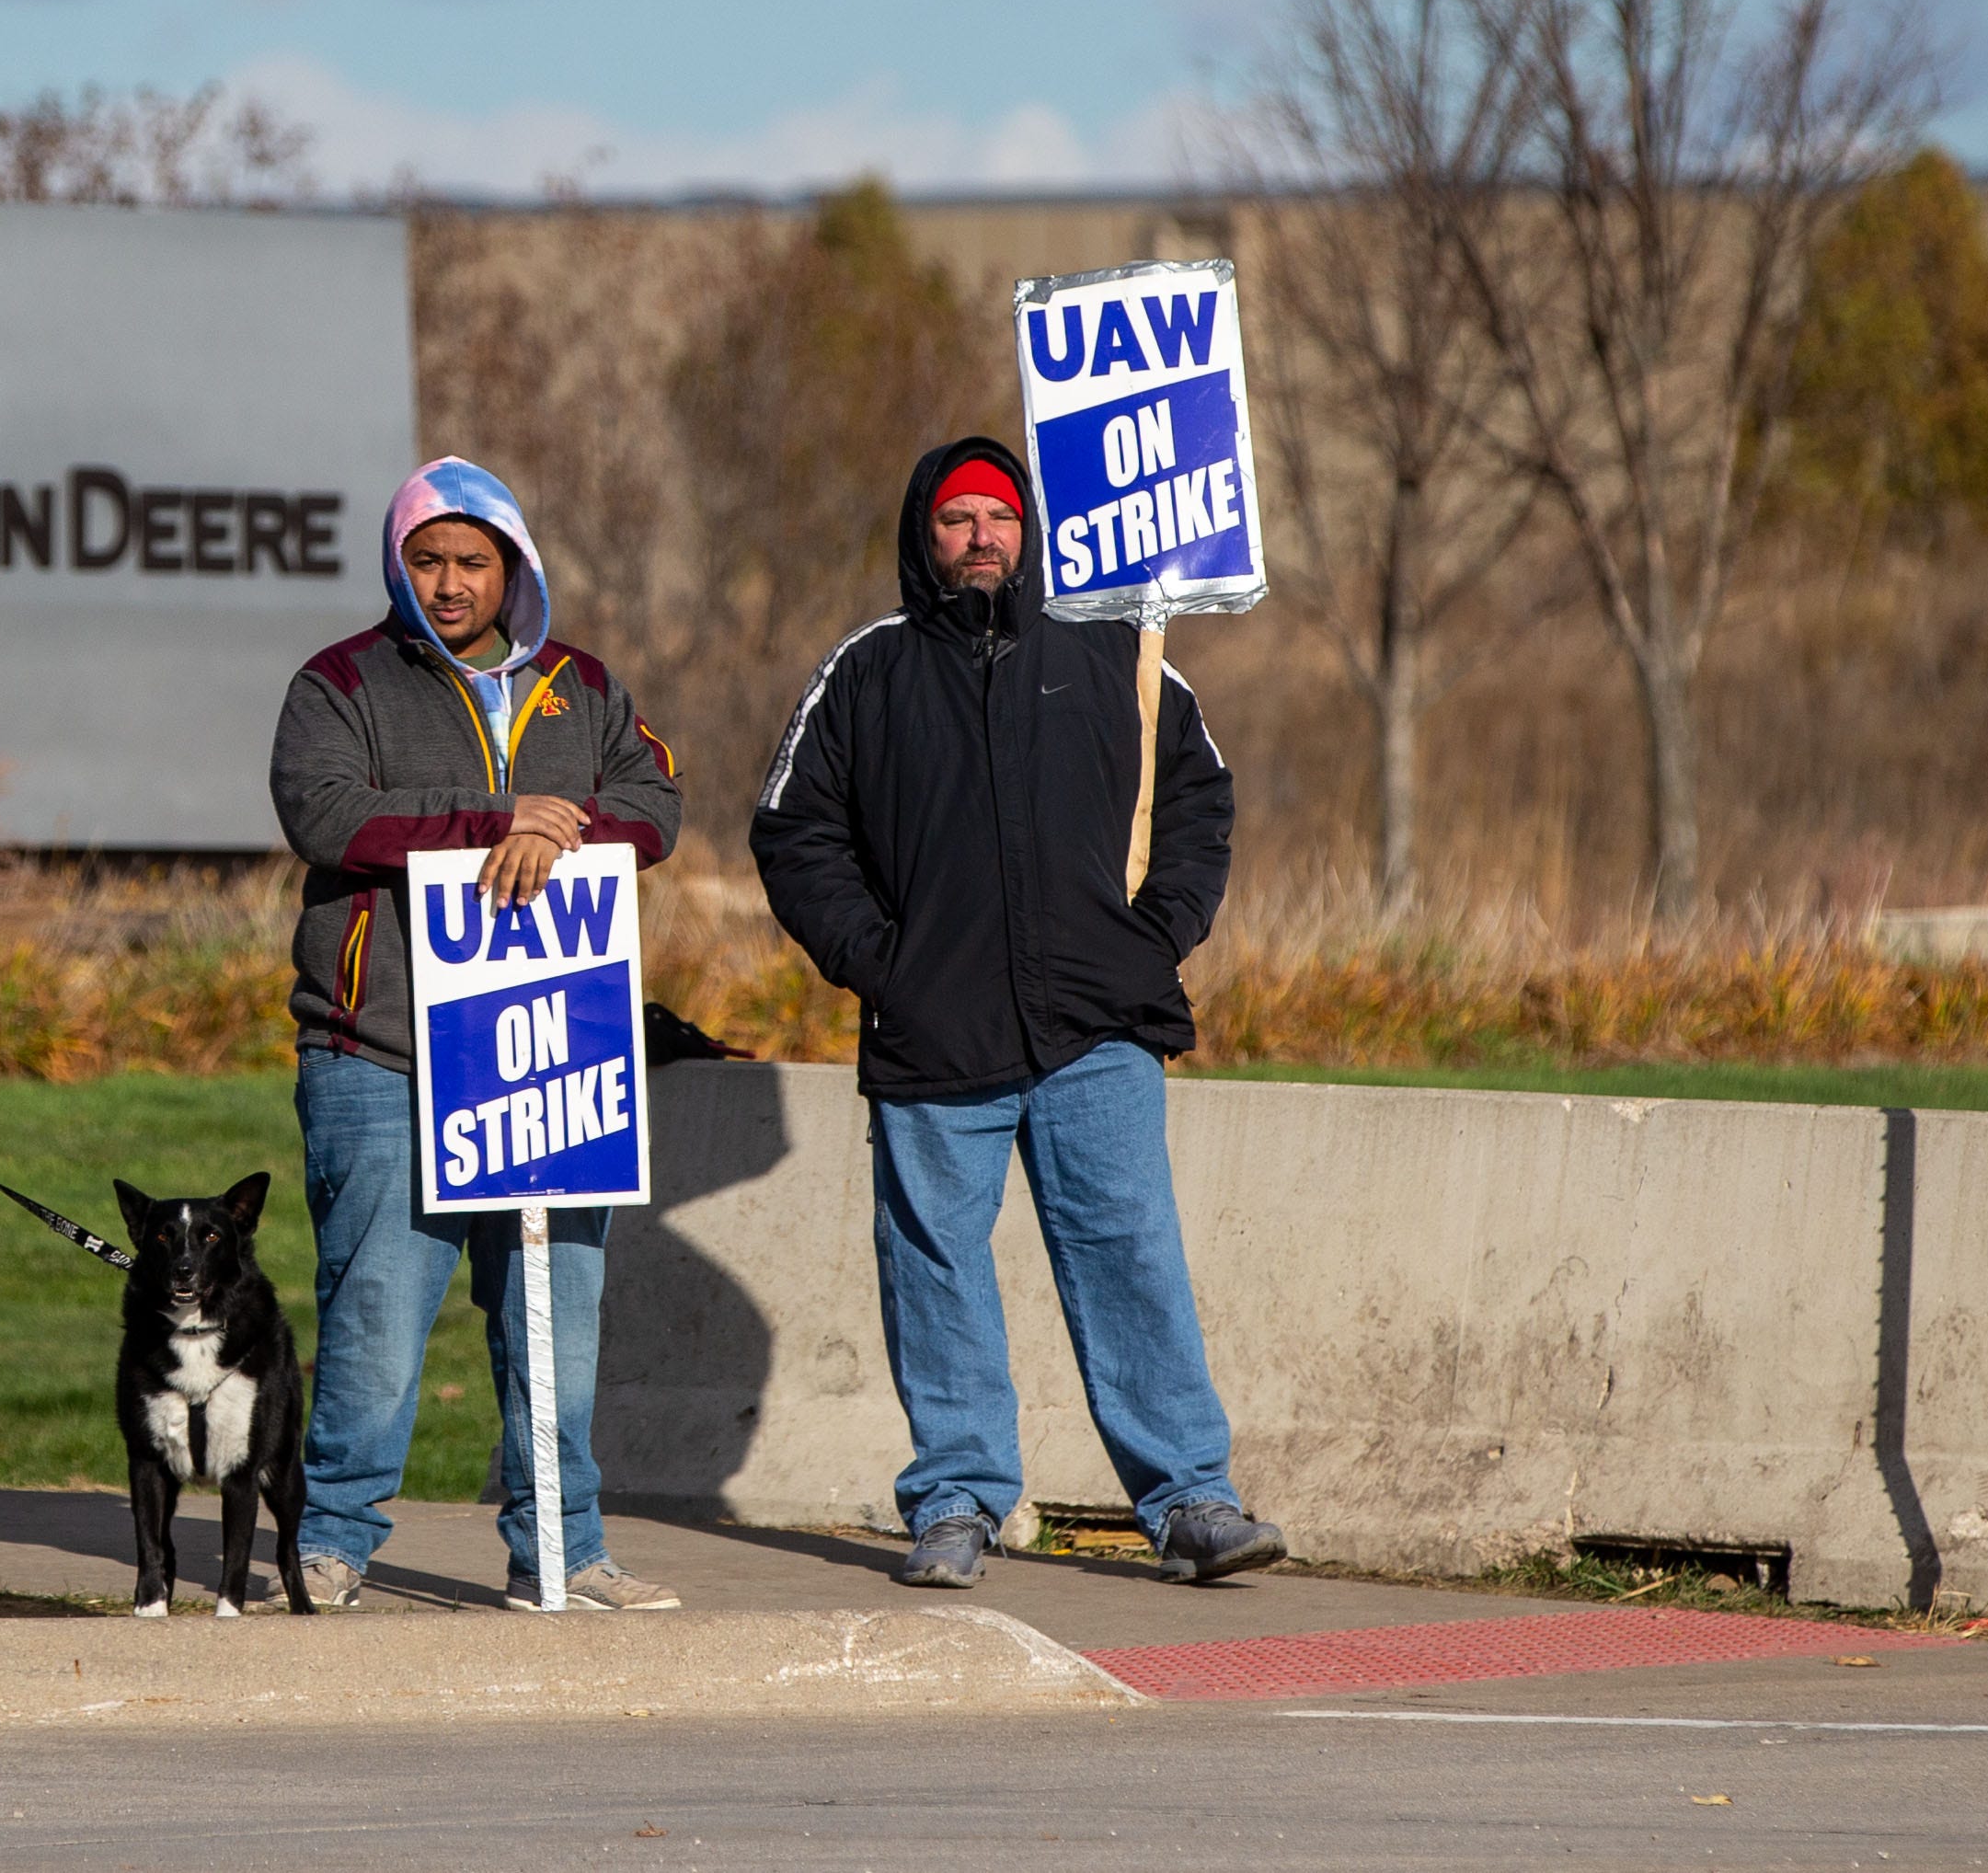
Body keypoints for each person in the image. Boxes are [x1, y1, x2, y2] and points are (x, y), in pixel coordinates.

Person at [748, 436, 1286, 1591]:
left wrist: (1159, 930)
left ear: (1032, 531)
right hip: (934, 1033)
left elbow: (1199, 794)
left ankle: (1191, 1498)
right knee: (935, 1263)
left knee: (1130, 1251)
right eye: (957, 519)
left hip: (1099, 1021)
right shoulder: (867, 669)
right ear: (922, 535)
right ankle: (955, 1499)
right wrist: (884, 964)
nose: (982, 535)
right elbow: (793, 830)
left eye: (1001, 516)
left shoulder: (1117, 651)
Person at [270, 458, 687, 1611]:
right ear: (398, 565)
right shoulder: (339, 681)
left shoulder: (583, 684)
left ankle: (563, 1549)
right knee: (374, 1315)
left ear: (513, 569)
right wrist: (488, 824)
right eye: (427, 559)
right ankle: (332, 1540)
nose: (449, 583)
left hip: (556, 1050)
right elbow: (322, 811)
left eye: (473, 560)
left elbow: (657, 801)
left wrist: (562, 830)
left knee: (556, 1319)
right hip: (381, 1054)